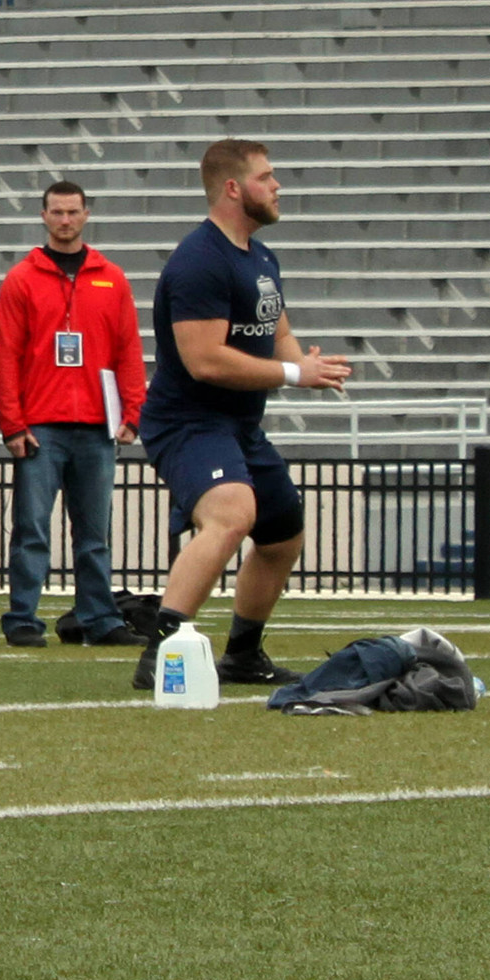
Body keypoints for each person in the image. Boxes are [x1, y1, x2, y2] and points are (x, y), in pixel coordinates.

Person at [131, 139, 351, 691]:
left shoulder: (259, 255)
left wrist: (304, 362)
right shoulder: (200, 259)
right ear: (234, 188)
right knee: (232, 512)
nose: (277, 186)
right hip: (187, 420)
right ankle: (160, 653)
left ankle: (243, 655)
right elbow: (204, 361)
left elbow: (276, 330)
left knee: (282, 534)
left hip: (238, 424)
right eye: (267, 176)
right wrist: (294, 376)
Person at [0, 180, 148, 649]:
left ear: (86, 214)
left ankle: (100, 619)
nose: (65, 220)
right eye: (56, 212)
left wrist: (133, 412)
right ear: (43, 216)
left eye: (72, 212)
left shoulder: (111, 278)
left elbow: (129, 351)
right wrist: (12, 424)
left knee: (94, 533)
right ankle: (22, 617)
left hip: (96, 427)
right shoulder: (22, 279)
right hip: (40, 426)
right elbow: (5, 356)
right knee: (32, 529)